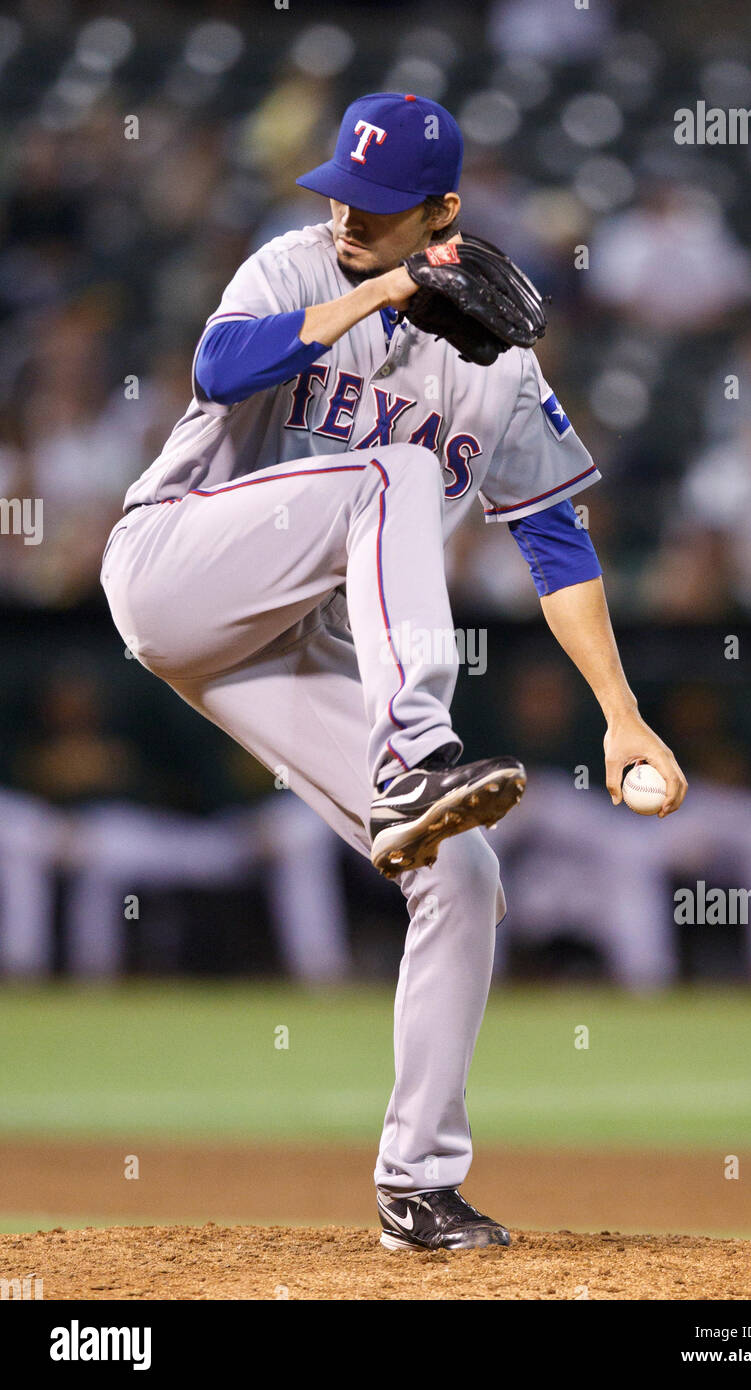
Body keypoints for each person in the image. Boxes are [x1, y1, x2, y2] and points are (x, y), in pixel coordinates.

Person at [101, 92, 687, 1253]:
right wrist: (372, 288)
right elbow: (220, 370)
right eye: (338, 189)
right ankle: (416, 752)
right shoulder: (294, 265)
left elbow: (555, 544)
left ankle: (416, 1186)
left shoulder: (503, 376)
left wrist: (620, 714)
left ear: (443, 212)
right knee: (394, 479)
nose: (344, 212)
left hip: (293, 639)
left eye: (374, 204)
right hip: (176, 565)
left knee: (461, 873)